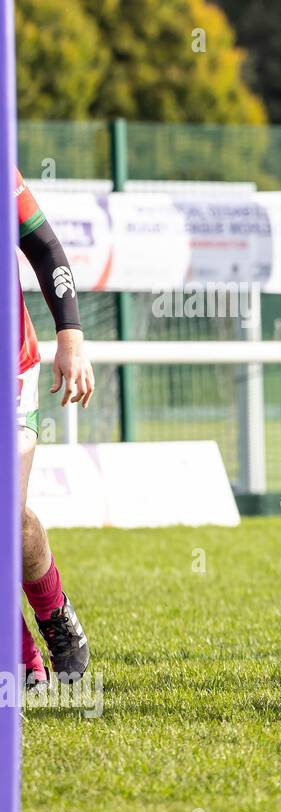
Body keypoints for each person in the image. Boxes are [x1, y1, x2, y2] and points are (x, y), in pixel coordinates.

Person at [13, 168, 95, 689]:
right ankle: (22, 658)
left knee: (7, 519)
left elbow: (44, 247)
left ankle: (53, 611)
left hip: (10, 368)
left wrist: (71, 337)